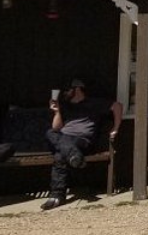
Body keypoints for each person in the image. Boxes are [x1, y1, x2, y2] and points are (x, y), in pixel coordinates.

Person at [42, 78, 123, 210]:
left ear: (77, 89)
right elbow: (57, 128)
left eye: (68, 90)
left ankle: (56, 196)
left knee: (59, 155)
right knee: (50, 133)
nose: (65, 93)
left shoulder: (94, 103)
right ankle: (74, 156)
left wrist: (116, 127)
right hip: (65, 139)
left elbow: (117, 106)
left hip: (82, 140)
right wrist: (56, 111)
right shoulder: (65, 106)